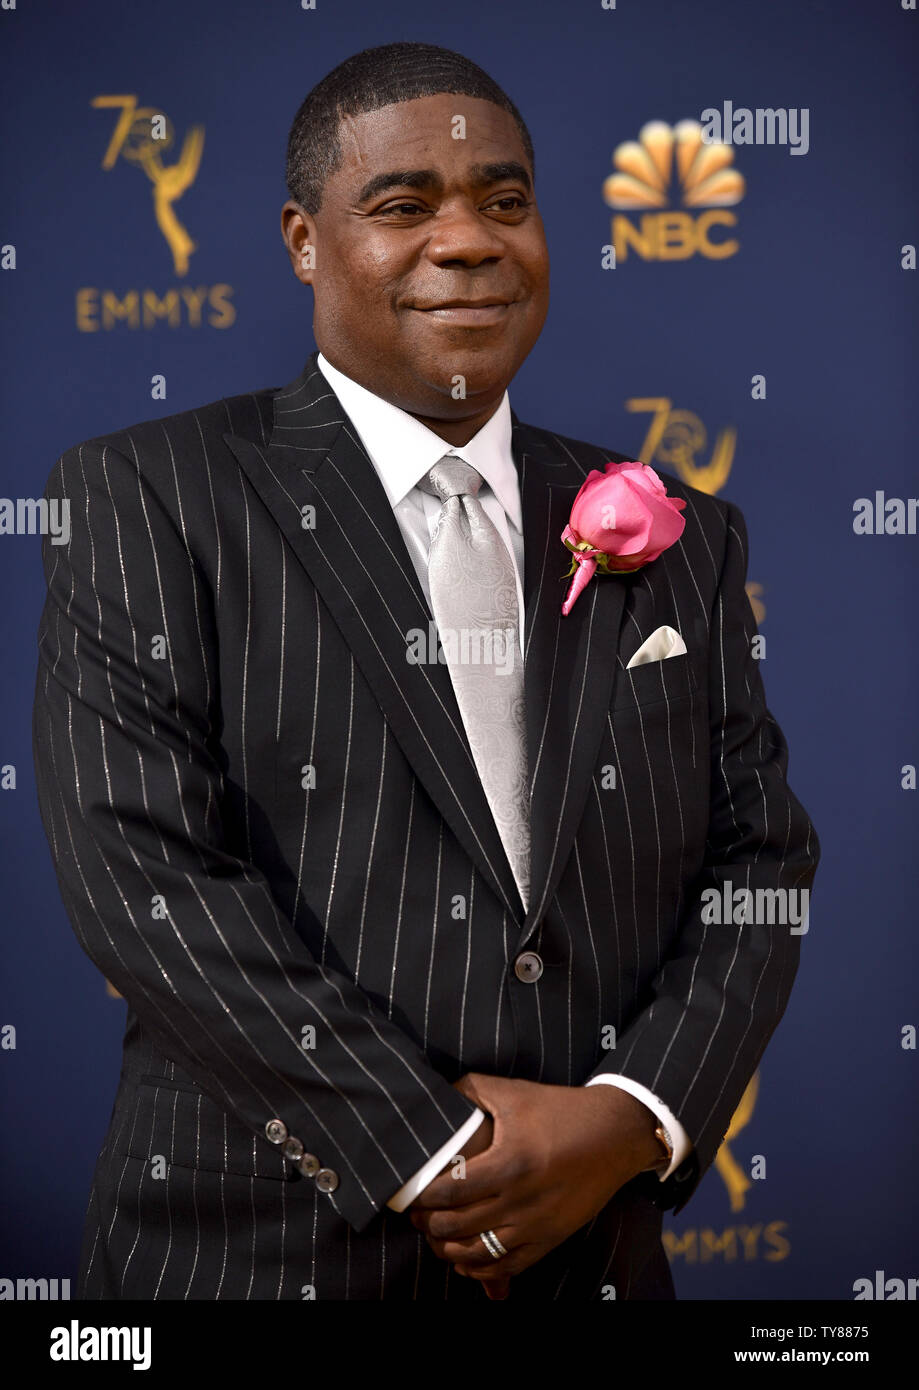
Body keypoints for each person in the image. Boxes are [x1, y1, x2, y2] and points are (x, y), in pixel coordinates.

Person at [32, 41, 819, 1301]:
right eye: (404, 207)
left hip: (589, 1261)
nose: (468, 242)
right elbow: (142, 875)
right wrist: (441, 1154)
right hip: (251, 1258)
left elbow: (758, 862)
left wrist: (624, 1119)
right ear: (302, 240)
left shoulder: (684, 532)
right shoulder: (149, 495)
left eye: (504, 203)